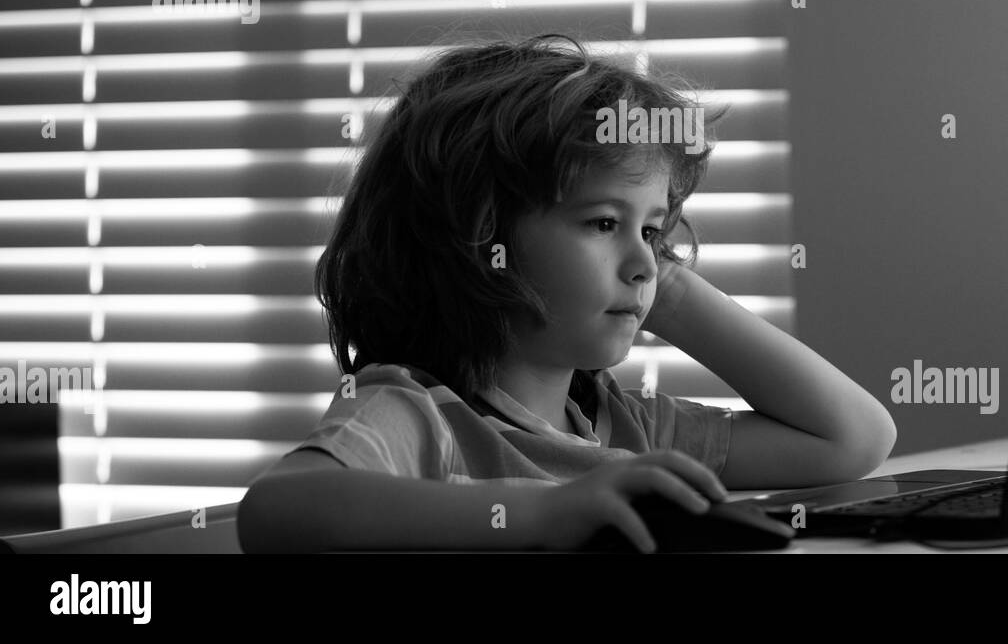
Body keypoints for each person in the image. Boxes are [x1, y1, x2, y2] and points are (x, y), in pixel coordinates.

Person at [237, 32, 896, 553]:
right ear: (478, 235)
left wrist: (662, 285)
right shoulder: (419, 414)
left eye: (655, 228)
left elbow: (853, 436)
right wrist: (548, 510)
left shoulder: (629, 426)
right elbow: (275, 510)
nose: (642, 258)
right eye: (604, 223)